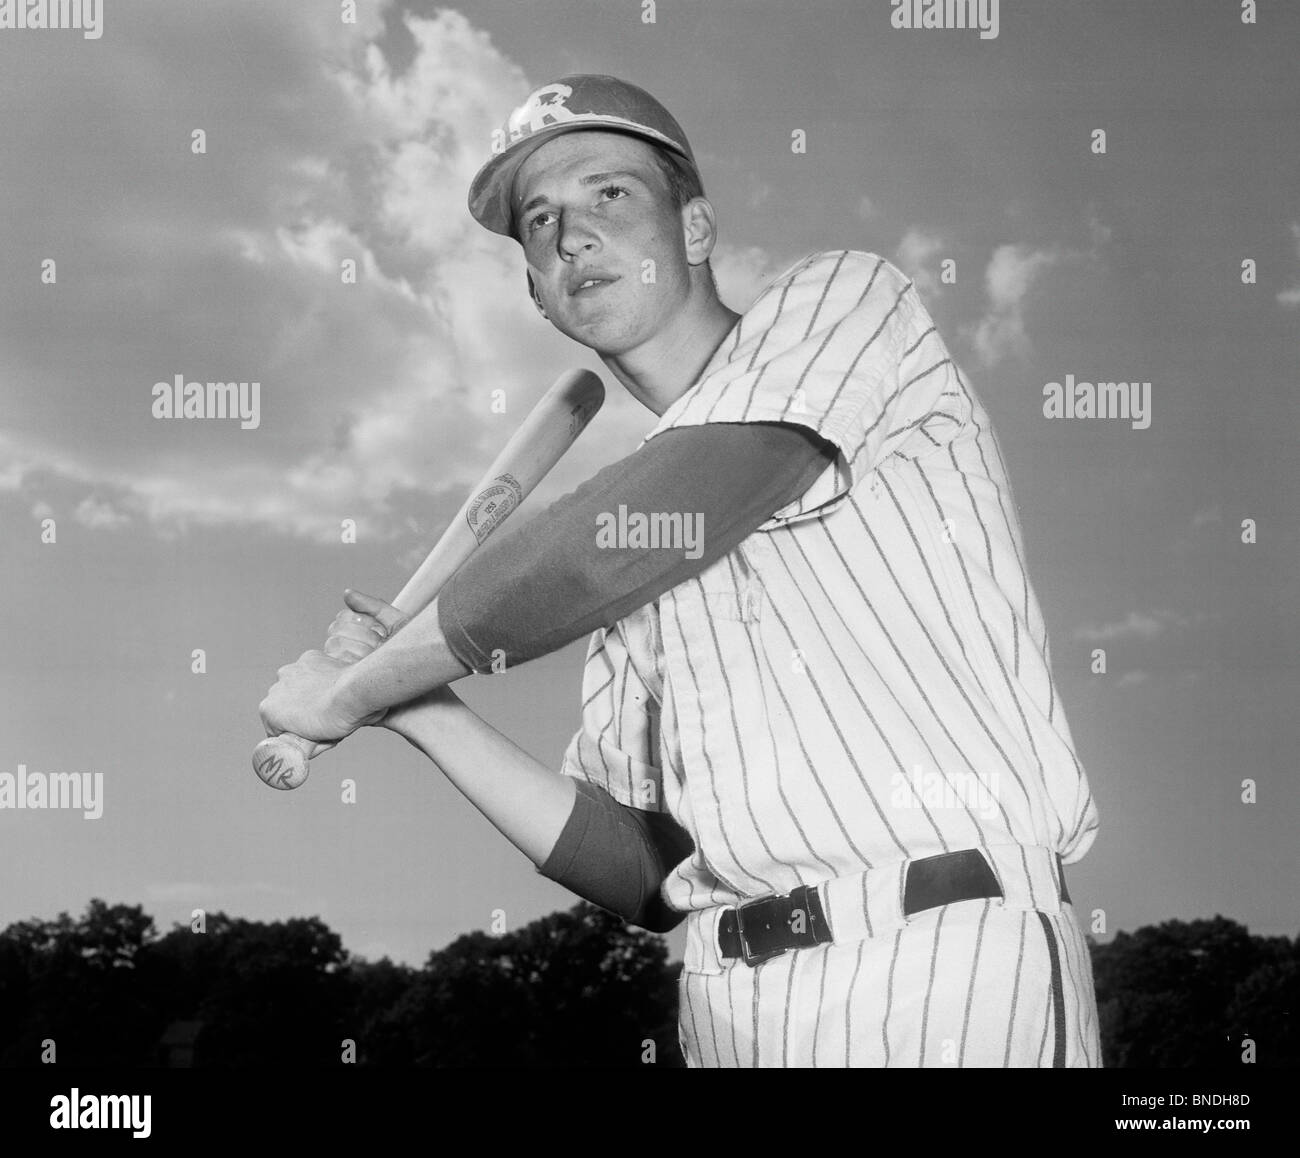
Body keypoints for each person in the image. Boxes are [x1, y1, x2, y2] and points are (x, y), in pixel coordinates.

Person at [260, 74, 1101, 1068]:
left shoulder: (845, 304)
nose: (573, 235)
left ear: (696, 228)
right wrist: (413, 706)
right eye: (541, 222)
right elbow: (643, 869)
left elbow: (649, 523)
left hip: (942, 956)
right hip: (725, 1003)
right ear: (536, 292)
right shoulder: (620, 587)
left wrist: (360, 679)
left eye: (608, 193)